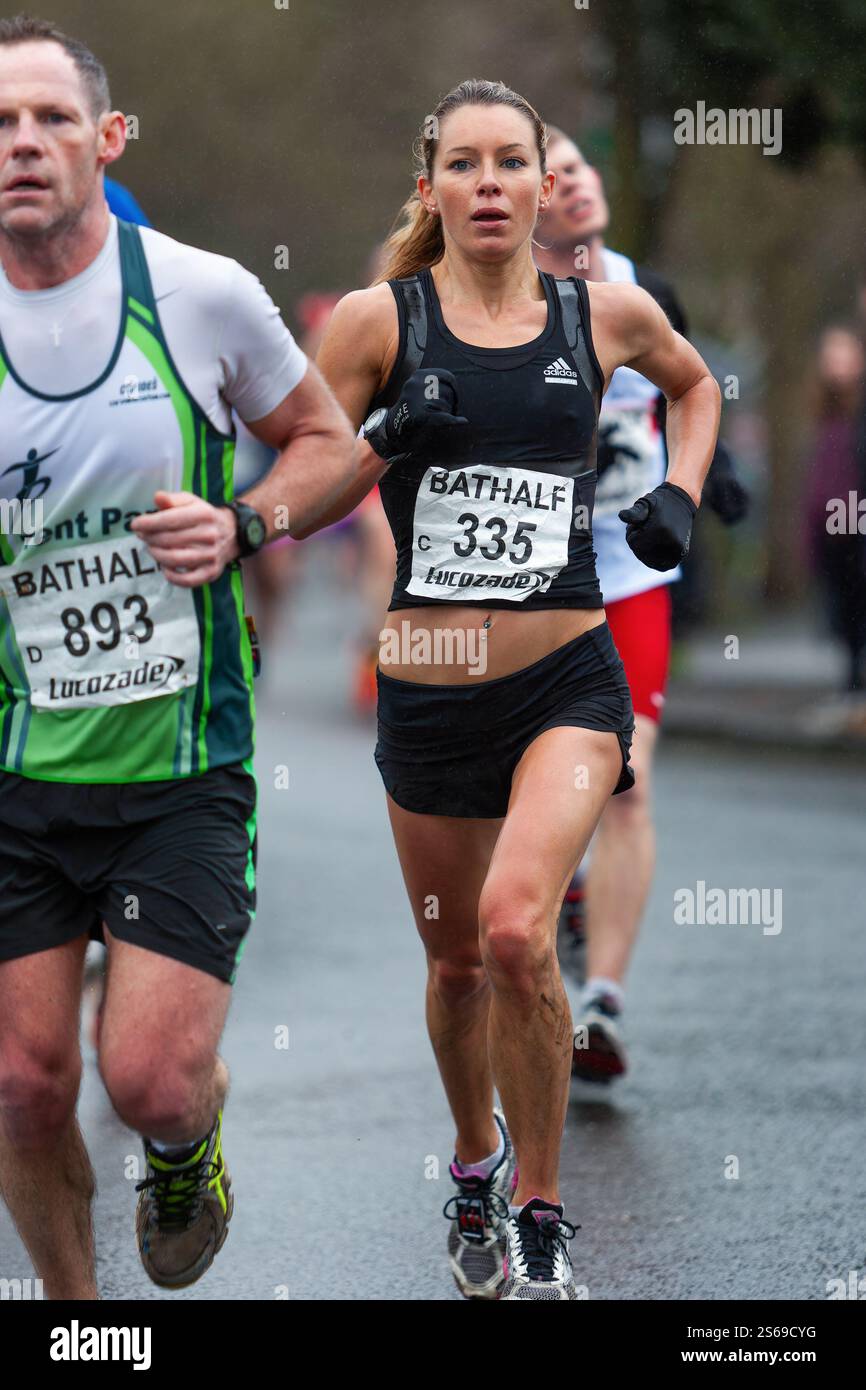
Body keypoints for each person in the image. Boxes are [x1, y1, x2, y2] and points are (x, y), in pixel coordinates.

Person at [315, 79, 720, 1299]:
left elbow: (695, 386)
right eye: (464, 163)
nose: (489, 183)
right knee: (451, 970)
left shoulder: (604, 314)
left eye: (513, 162)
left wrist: (680, 497)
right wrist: (380, 438)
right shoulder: (372, 324)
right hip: (430, 684)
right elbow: (307, 473)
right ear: (429, 185)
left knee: (511, 931)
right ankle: (475, 1160)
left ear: (547, 187)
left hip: (566, 676)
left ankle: (542, 1207)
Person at [0, 16, 355, 1298]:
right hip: (14, 774)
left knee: (144, 1074)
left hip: (180, 769)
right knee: (24, 1082)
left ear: (109, 138)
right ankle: (76, 1320)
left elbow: (330, 443)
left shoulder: (197, 293)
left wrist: (247, 518)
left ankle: (185, 1142)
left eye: (48, 117)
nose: (22, 144)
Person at [533, 129, 748, 1080]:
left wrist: (712, 478)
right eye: (554, 177)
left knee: (629, 781)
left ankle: (604, 1005)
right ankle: (556, 915)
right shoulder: (500, 304)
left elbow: (686, 391)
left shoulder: (645, 291)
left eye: (581, 167)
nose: (576, 186)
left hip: (632, 580)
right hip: (532, 586)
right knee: (540, 790)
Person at [805, 326, 866, 693]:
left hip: (857, 517)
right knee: (843, 601)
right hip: (831, 523)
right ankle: (852, 670)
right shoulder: (820, 411)